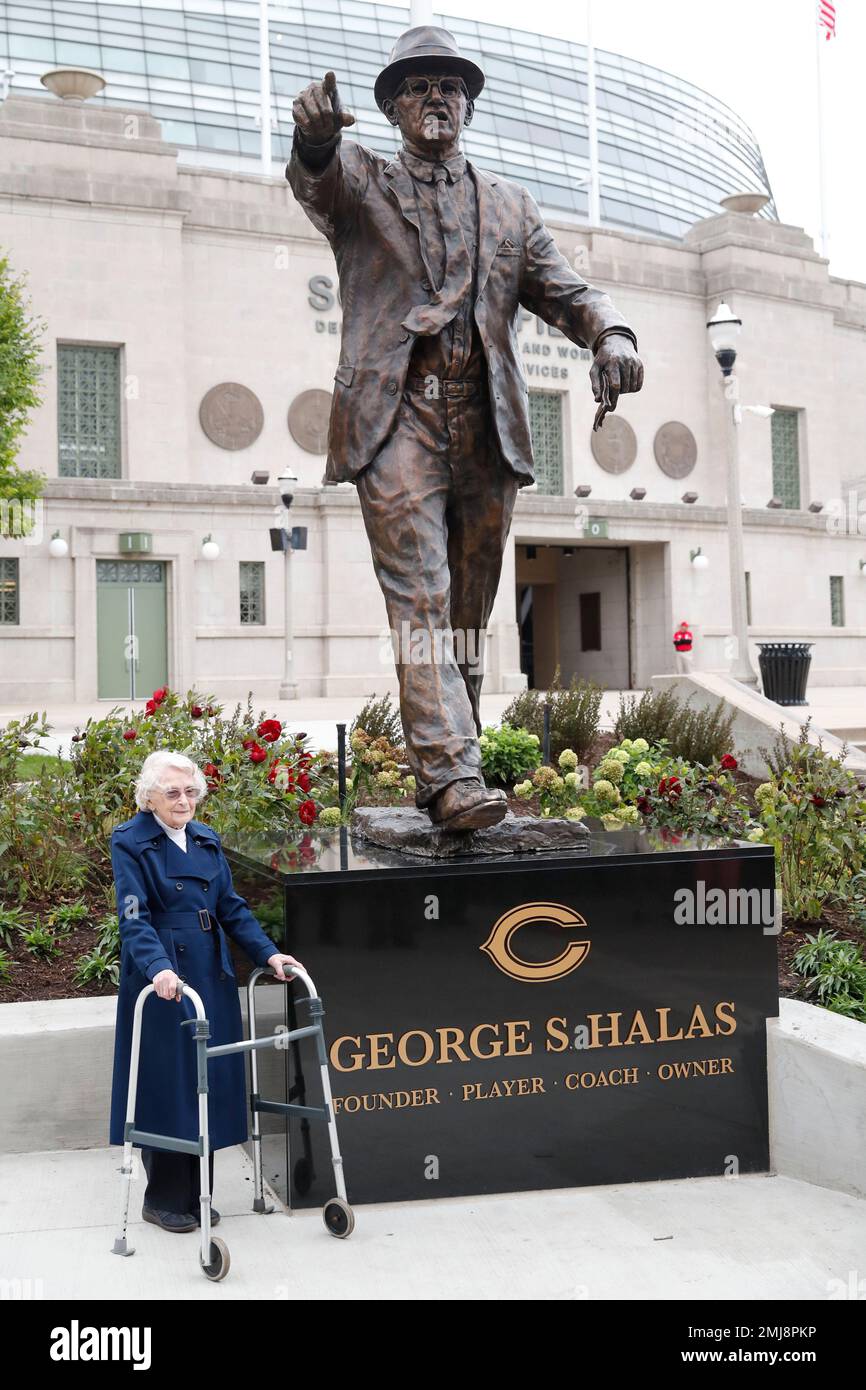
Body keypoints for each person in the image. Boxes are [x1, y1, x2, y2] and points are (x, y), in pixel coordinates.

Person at [287, 25, 643, 832]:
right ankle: (453, 774)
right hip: (395, 418)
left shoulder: (512, 206)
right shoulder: (362, 180)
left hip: (484, 426)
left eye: (450, 86)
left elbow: (569, 289)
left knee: (466, 621)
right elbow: (316, 179)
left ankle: (453, 767)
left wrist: (612, 334)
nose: (435, 97)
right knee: (421, 599)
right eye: (417, 86)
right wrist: (312, 138)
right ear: (390, 108)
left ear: (470, 106)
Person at [108, 750, 302, 1232]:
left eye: (191, 791)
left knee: (206, 1079)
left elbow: (232, 908)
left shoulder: (205, 839)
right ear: (149, 796)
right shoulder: (131, 841)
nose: (183, 800)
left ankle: (199, 1193)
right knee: (169, 1083)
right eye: (172, 791)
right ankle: (163, 1197)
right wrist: (156, 968)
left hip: (209, 972)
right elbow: (133, 917)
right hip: (164, 978)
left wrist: (268, 954)